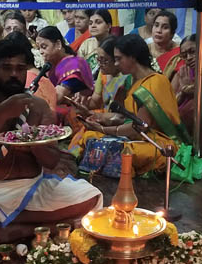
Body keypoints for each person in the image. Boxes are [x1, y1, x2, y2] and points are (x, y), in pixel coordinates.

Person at [0, 33, 101, 243]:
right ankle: (48, 227)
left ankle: (11, 229)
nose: (14, 74)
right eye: (6, 68)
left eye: (20, 69)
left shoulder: (39, 107)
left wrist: (33, 143)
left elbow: (50, 160)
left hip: (33, 187)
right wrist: (3, 112)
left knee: (91, 197)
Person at [76, 34, 190, 176]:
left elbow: (139, 127)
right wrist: (94, 116)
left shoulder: (155, 82)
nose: (116, 64)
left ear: (133, 57)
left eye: (118, 59)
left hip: (157, 143)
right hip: (132, 138)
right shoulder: (130, 81)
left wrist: (104, 129)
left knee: (121, 150)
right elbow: (122, 117)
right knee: (90, 135)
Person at [36, 26, 94, 105]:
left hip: (82, 113)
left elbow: (56, 98)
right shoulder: (52, 66)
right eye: (38, 48)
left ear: (58, 44)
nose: (41, 52)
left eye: (44, 47)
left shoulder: (74, 65)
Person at [77, 9, 113, 74]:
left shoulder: (114, 45)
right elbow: (80, 69)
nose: (93, 26)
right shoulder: (86, 44)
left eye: (98, 22)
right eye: (90, 23)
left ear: (108, 26)